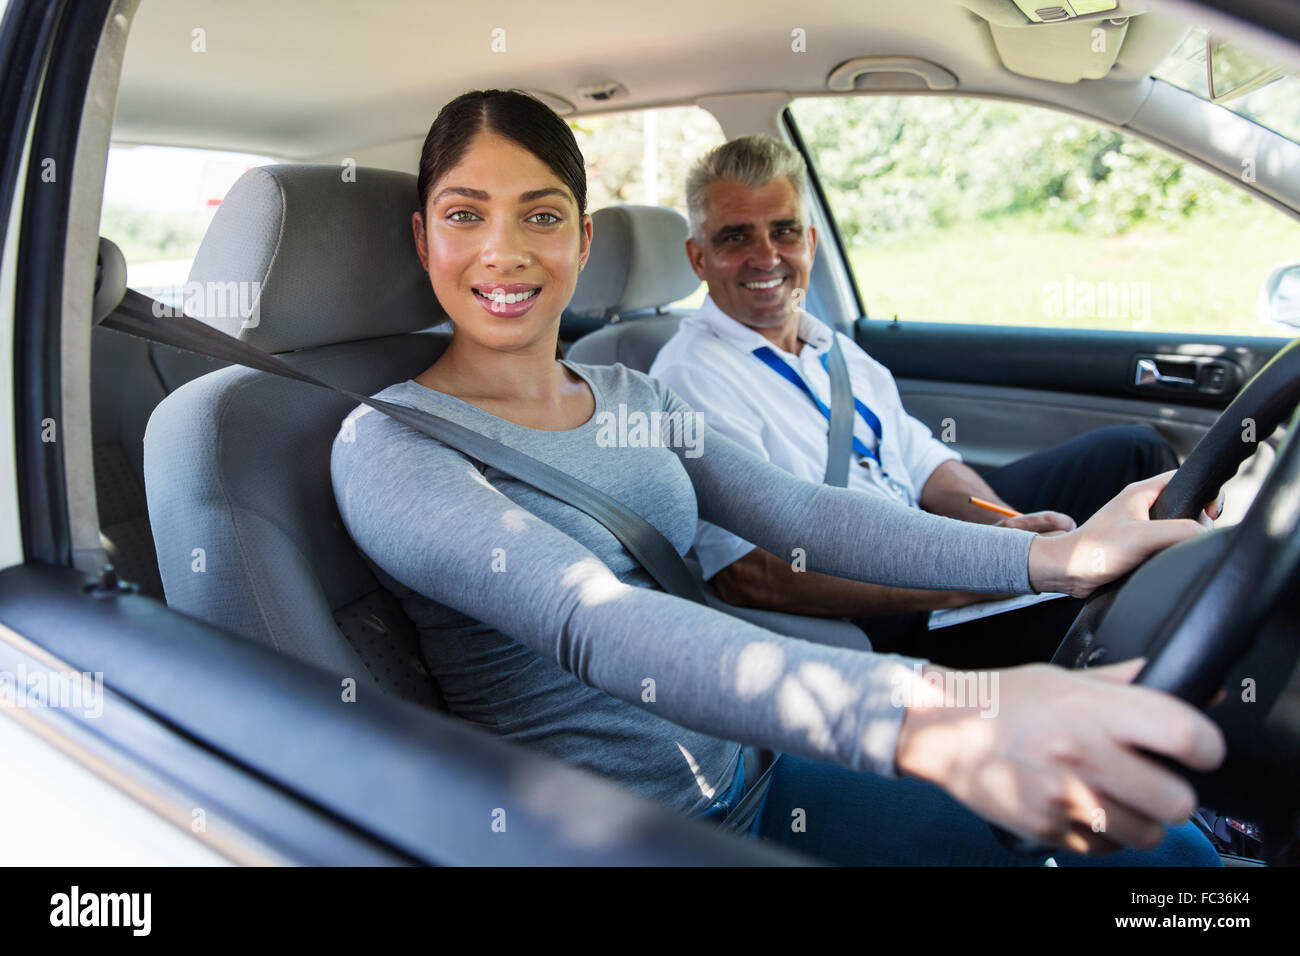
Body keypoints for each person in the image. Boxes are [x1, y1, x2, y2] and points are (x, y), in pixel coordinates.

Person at [330, 89, 1225, 865]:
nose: (503, 251)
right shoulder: (389, 444)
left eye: (541, 213)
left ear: (583, 238)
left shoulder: (627, 391)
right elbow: (590, 622)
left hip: (757, 763)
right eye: (464, 214)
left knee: (1169, 857)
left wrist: (1058, 561)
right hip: (630, 837)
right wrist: (942, 713)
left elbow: (801, 509)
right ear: (422, 236)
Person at [648, 135, 1192, 669]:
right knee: (1105, 618)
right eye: (736, 238)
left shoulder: (830, 345)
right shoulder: (690, 376)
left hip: (921, 542)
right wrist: (970, 577)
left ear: (810, 241)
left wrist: (1003, 531)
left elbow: (923, 462)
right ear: (699, 258)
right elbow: (749, 573)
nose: (766, 256)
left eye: (783, 231)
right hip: (874, 610)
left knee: (1135, 452)